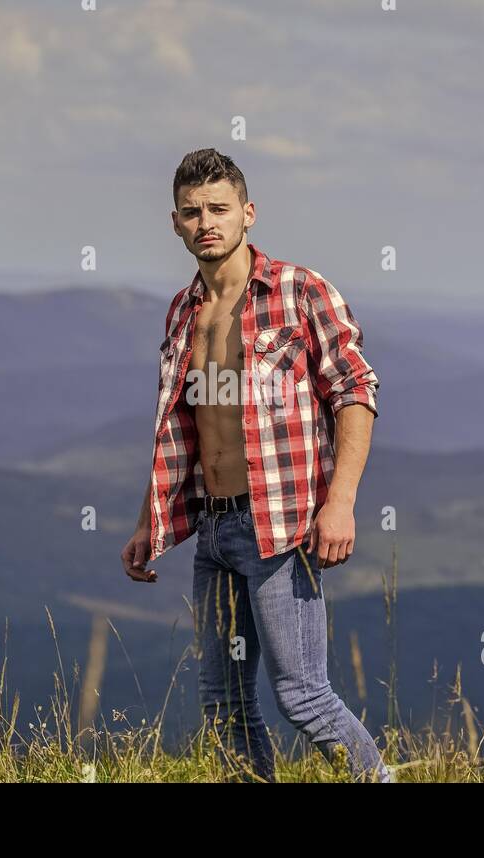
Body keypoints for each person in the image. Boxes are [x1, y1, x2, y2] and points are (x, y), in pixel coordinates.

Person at [120, 148, 388, 783]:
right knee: (224, 704)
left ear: (248, 213)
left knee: (303, 697)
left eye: (218, 208)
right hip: (212, 531)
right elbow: (180, 431)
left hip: (279, 526)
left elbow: (355, 390)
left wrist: (341, 501)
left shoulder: (300, 291)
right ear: (175, 224)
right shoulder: (183, 313)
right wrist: (146, 523)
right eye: (192, 212)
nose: (205, 222)